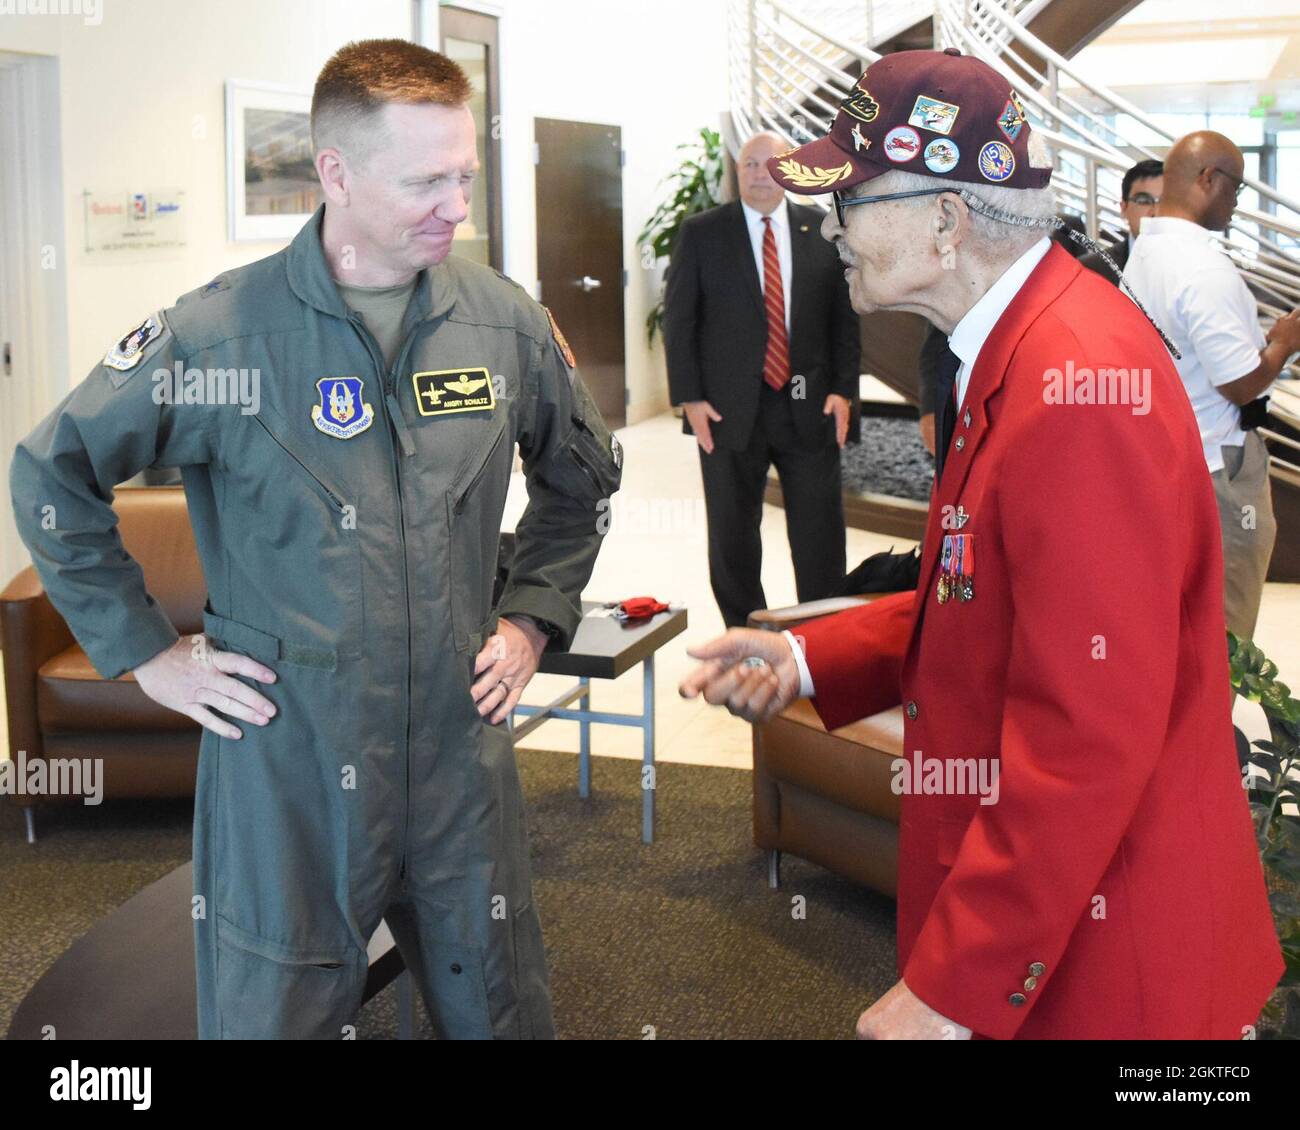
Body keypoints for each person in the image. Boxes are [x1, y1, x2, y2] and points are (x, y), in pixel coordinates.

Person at [9, 38, 622, 1040]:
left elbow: (583, 475)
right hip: (287, 753)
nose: (457, 204)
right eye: (426, 179)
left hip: (457, 752)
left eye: (464, 173)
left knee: (497, 1003)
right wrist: (145, 655)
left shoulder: (503, 324)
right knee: (272, 1011)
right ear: (334, 172)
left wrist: (530, 618)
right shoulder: (220, 338)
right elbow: (50, 473)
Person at [679, 48, 1281, 1040]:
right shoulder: (1023, 348)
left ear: (946, 221)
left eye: (854, 200)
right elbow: (988, 597)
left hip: (1101, 965)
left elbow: (1086, 730)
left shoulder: (1073, 383)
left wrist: (960, 978)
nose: (830, 229)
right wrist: (802, 651)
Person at [662, 131, 860, 628]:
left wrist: (842, 391)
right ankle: (746, 634)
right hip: (727, 409)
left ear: (791, 170)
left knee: (819, 531)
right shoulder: (703, 232)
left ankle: (821, 637)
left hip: (808, 404)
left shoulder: (823, 231)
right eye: (750, 164)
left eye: (771, 164)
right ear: (738, 171)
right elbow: (679, 319)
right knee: (732, 534)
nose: (759, 173)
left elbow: (845, 318)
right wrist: (690, 398)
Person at [1124, 131, 1300, 639]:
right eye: (1237, 189)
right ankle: (1211, 720)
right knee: (1226, 620)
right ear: (1208, 179)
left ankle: (1191, 719)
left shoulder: (1147, 252)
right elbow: (1241, 385)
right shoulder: (1201, 266)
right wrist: (1284, 343)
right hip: (1219, 465)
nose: (1238, 204)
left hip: (1173, 451)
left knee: (1179, 620)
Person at [1078, 158, 1163, 284]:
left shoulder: (1192, 265)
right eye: (1144, 201)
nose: (1155, 212)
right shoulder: (1090, 269)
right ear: (1124, 208)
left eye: (1165, 202)